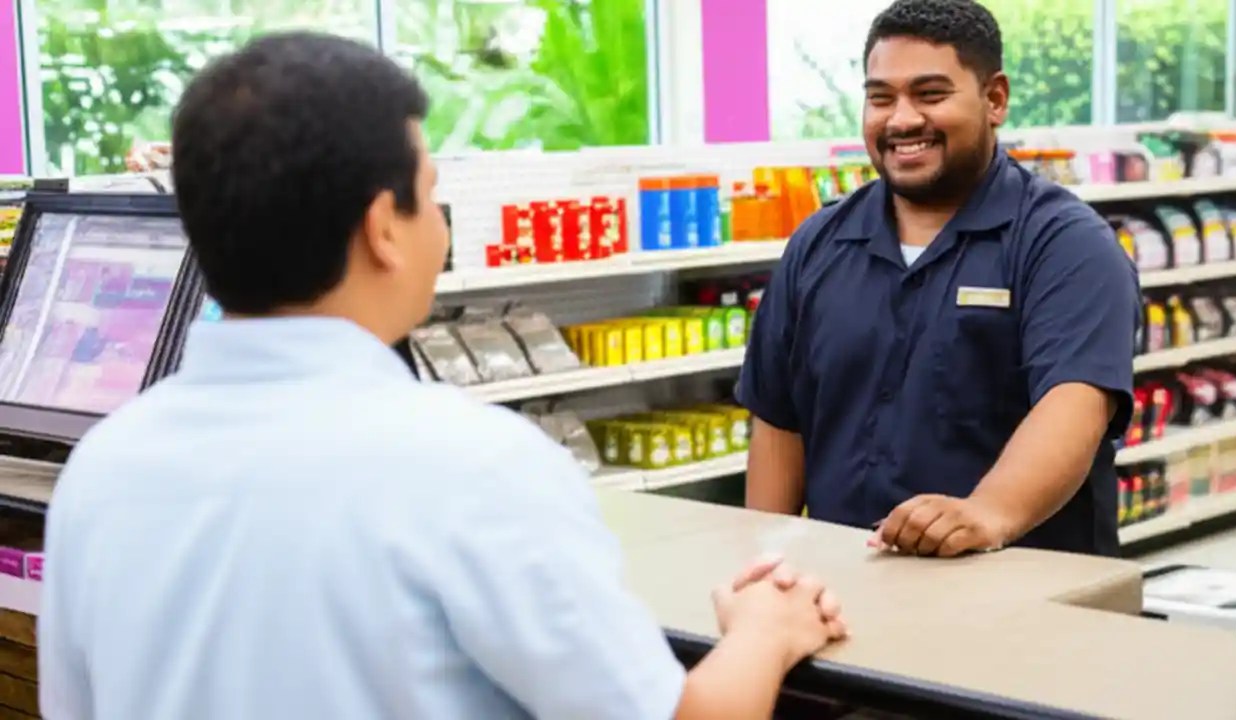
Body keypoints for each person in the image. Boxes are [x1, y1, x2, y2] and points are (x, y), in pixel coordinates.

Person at [38, 32, 847, 720]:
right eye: (431, 197)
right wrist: (765, 633)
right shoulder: (475, 466)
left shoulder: (104, 469)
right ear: (383, 228)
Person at [738, 0, 1140, 558]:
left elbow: (1074, 404)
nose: (901, 120)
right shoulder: (818, 245)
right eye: (881, 97)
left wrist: (988, 513)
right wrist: (763, 561)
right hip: (848, 591)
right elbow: (780, 420)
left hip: (1022, 597)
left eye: (930, 94)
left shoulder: (1065, 245)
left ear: (994, 99)